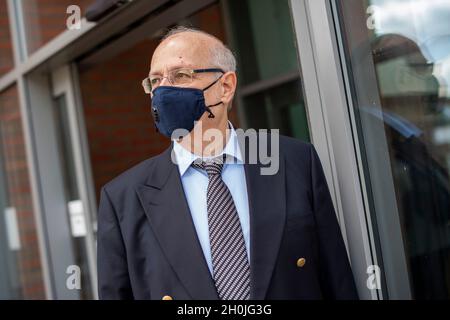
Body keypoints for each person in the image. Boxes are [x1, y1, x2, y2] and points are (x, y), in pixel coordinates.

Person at [97, 26, 357, 300]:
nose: (163, 90)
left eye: (180, 75)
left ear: (226, 86)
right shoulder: (123, 198)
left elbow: (335, 277)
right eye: (155, 81)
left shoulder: (293, 160)